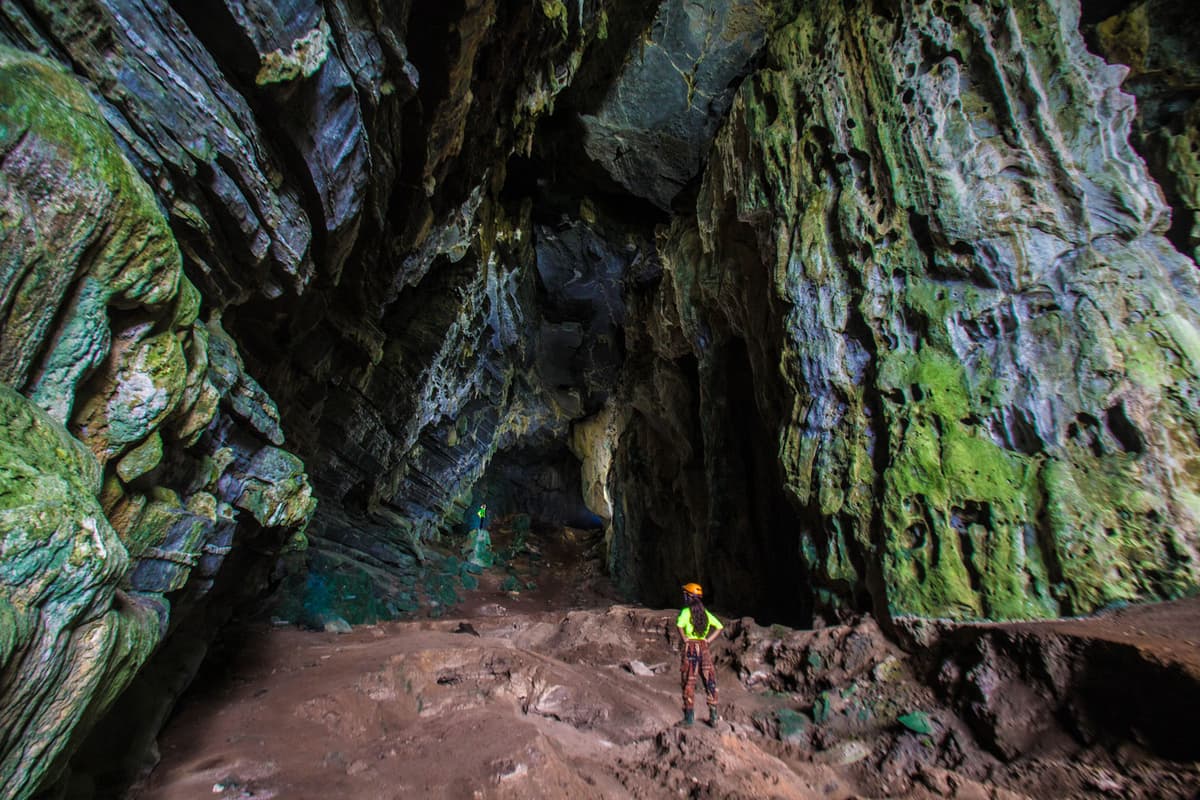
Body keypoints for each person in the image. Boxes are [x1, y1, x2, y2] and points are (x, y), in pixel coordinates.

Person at [676, 582, 723, 727]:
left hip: (691, 648)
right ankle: (714, 717)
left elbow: (679, 626)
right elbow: (720, 626)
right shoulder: (705, 613)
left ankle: (689, 718)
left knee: (689, 681)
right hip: (704, 648)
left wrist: (685, 638)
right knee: (710, 680)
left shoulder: (686, 612)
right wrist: (708, 640)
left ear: (688, 596)